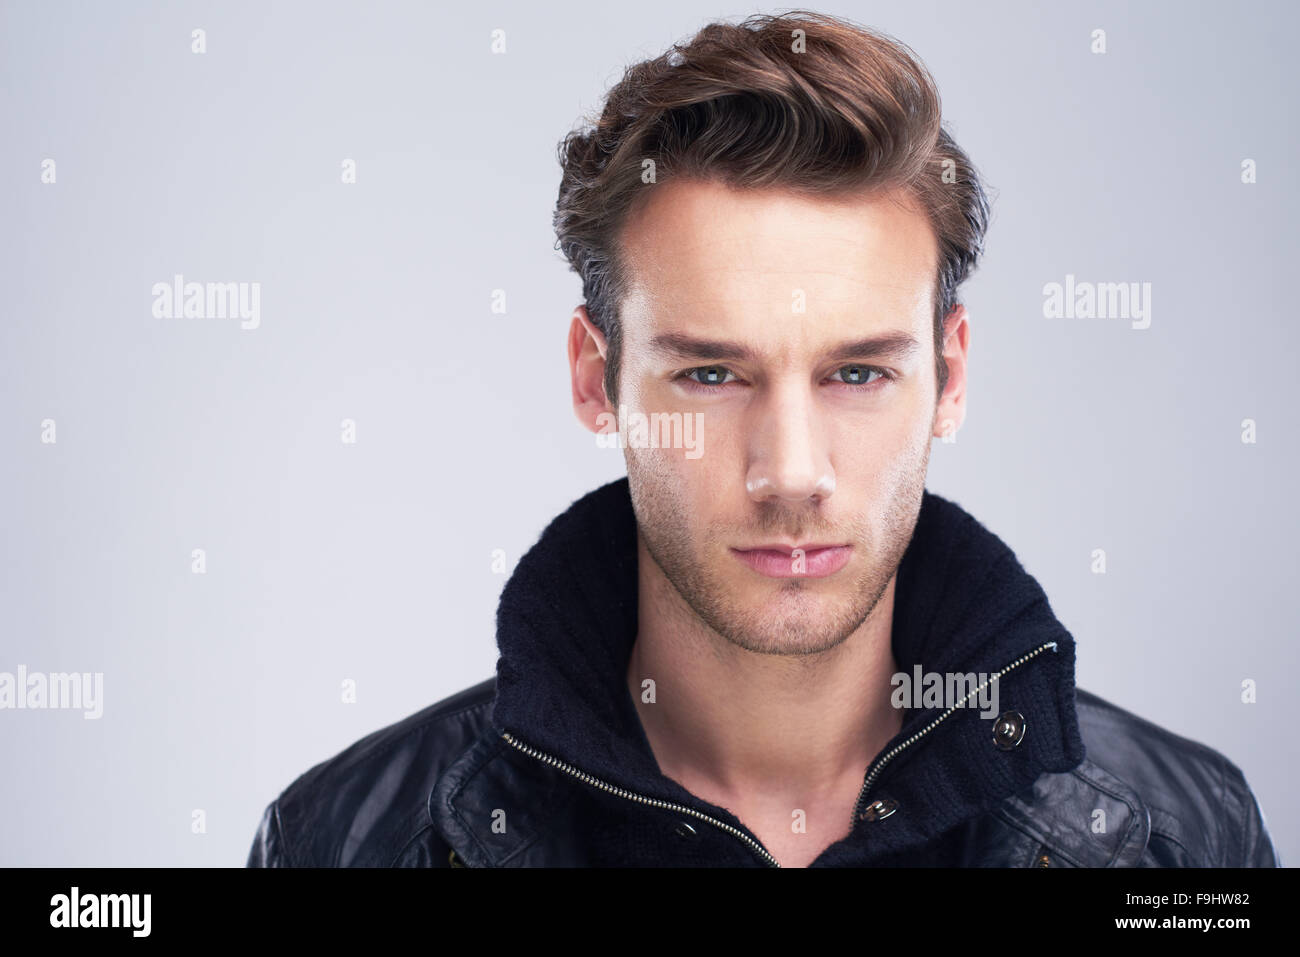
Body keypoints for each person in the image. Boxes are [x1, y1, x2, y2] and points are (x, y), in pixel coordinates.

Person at [247, 10, 1278, 867]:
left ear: (948, 379)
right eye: (709, 374)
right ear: (593, 378)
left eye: (857, 374)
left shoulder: (1178, 843)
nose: (791, 472)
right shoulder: (349, 844)